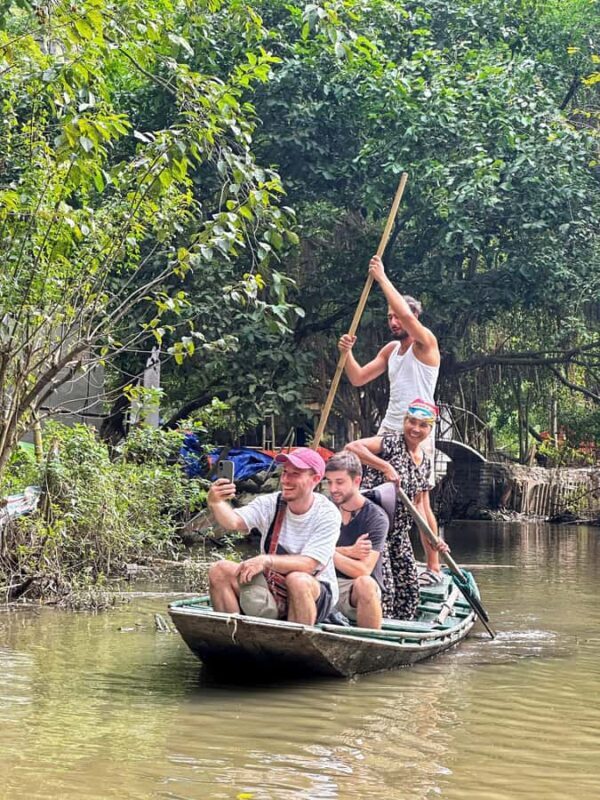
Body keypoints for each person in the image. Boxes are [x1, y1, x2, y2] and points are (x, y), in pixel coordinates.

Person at [206, 447, 341, 625]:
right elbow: (234, 522)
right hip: (272, 584)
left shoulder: (327, 513)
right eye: (285, 472)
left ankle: (295, 645)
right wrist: (215, 502)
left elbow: (308, 564)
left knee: (297, 580)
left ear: (315, 479)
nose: (286, 480)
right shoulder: (270, 503)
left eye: (295, 474)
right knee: (220, 570)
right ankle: (235, 639)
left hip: (314, 590)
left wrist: (265, 561)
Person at [338, 254, 440, 487]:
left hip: (418, 426)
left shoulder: (425, 344)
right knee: (371, 481)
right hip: (391, 426)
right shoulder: (391, 350)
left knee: (417, 495)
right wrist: (347, 354)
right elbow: (357, 378)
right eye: (389, 317)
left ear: (414, 318)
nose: (394, 321)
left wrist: (381, 277)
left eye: (398, 316)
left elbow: (405, 314)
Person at [345, 400, 449, 620]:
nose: (415, 429)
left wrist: (434, 546)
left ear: (430, 429)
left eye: (423, 425)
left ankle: (404, 633)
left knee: (410, 591)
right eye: (412, 422)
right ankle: (376, 630)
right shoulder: (391, 443)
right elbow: (352, 448)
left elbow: (421, 507)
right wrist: (385, 466)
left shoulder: (425, 462)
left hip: (398, 534)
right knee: (386, 592)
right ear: (405, 422)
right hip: (373, 531)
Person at [324, 451, 389, 629]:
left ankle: (371, 646)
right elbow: (301, 551)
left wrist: (325, 552)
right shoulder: (324, 508)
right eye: (329, 482)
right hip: (322, 582)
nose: (332, 489)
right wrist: (347, 551)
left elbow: (362, 570)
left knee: (365, 584)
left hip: (351, 589)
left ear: (357, 481)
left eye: (339, 482)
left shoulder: (376, 517)